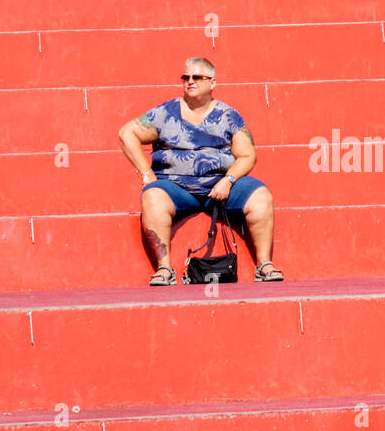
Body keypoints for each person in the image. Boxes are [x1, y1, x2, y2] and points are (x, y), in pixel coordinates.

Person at [118, 56, 284, 285]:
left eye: (197, 77)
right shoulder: (166, 112)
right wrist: (146, 173)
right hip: (174, 187)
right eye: (186, 77)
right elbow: (127, 133)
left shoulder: (229, 116)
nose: (190, 81)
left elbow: (248, 155)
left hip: (220, 184)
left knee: (261, 196)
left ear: (212, 83)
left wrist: (229, 179)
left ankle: (264, 265)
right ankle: (164, 269)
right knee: (152, 197)